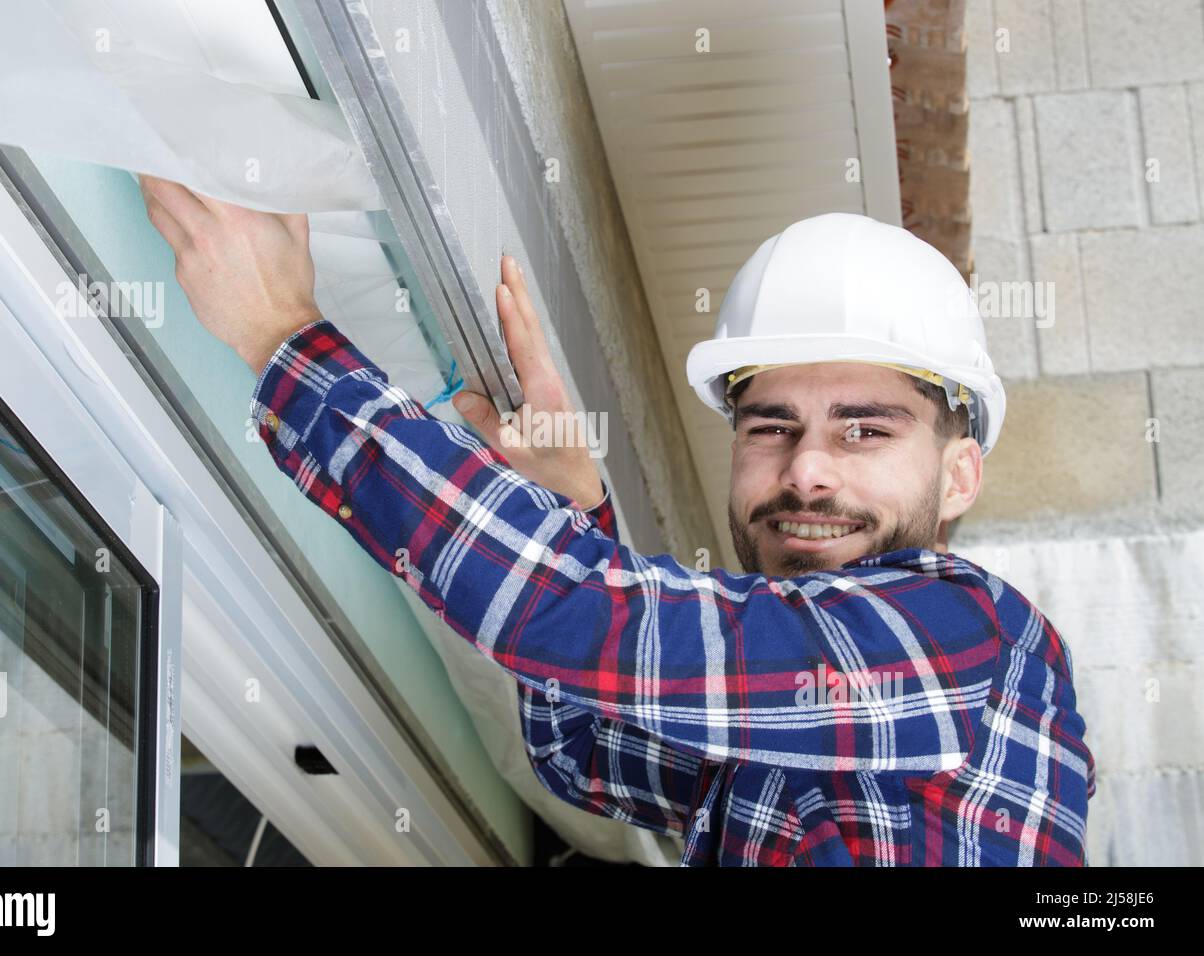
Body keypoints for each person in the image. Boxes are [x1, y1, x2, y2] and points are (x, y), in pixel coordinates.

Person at [139, 176, 1095, 866]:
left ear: (959, 476)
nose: (806, 470)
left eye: (865, 430)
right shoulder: (814, 717)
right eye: (772, 426)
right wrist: (571, 510)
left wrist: (281, 335)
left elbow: (577, 620)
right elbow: (589, 752)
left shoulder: (973, 637)